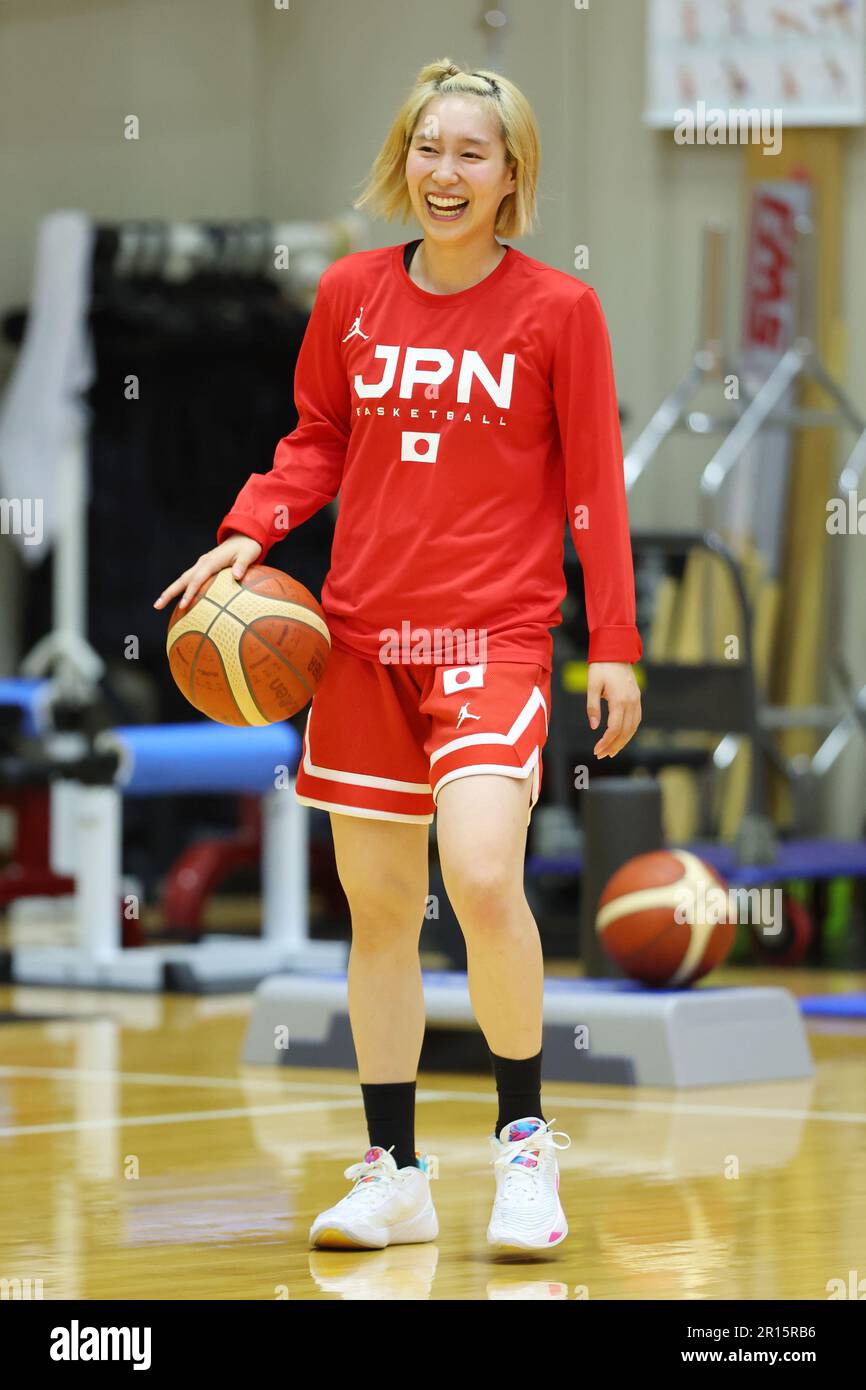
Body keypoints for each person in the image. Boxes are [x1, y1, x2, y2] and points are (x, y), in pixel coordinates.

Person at [154, 57, 642, 1256]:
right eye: (428, 148)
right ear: (403, 157)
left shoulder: (556, 312)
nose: (443, 172)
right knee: (378, 917)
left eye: (470, 153)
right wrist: (240, 539)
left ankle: (524, 1151)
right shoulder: (349, 294)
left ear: (510, 173)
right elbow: (314, 443)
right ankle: (394, 1171)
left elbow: (592, 493)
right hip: (359, 642)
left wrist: (616, 645)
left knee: (479, 876)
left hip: (490, 639)